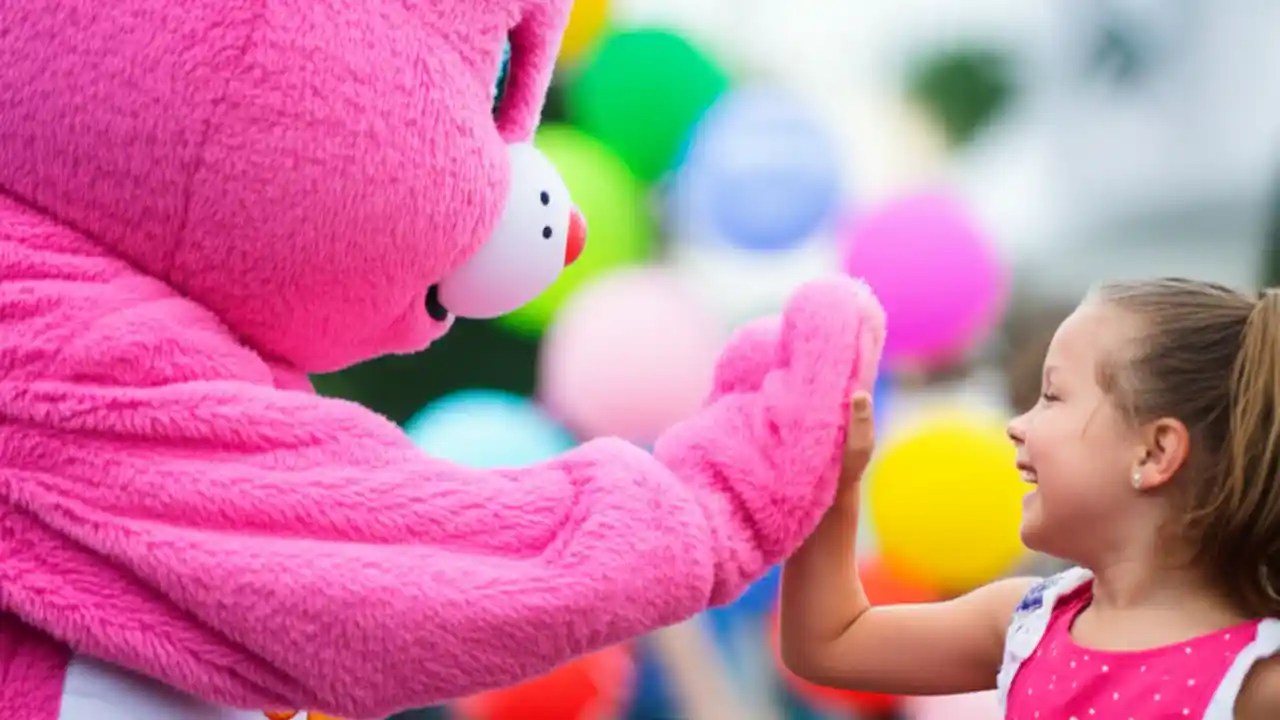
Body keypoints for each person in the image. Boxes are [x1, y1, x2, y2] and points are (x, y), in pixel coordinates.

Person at [780, 278, 1280, 718]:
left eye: (1052, 396)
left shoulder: (1258, 684)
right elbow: (828, 642)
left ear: (1155, 452)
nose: (1016, 426)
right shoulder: (1029, 621)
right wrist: (833, 482)